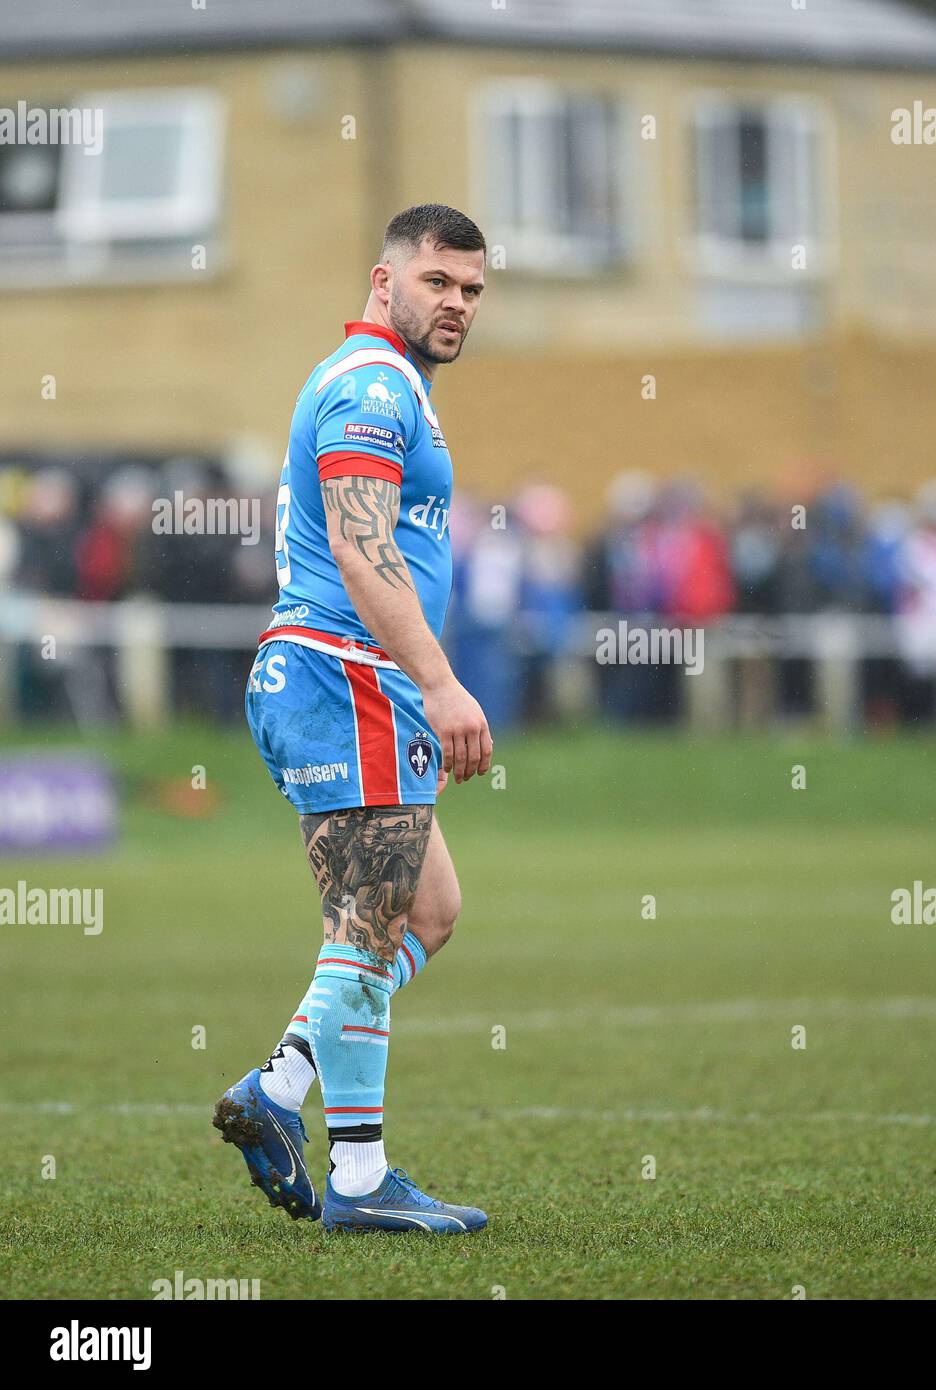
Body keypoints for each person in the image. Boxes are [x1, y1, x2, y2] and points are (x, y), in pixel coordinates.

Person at [213, 204, 493, 1235]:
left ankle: (326, 1133)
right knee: (372, 926)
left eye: (471, 289)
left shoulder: (391, 386)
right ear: (385, 282)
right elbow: (358, 542)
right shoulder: (373, 384)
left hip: (343, 679)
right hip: (349, 675)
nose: (457, 303)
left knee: (422, 914)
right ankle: (296, 1113)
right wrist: (441, 679)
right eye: (438, 282)